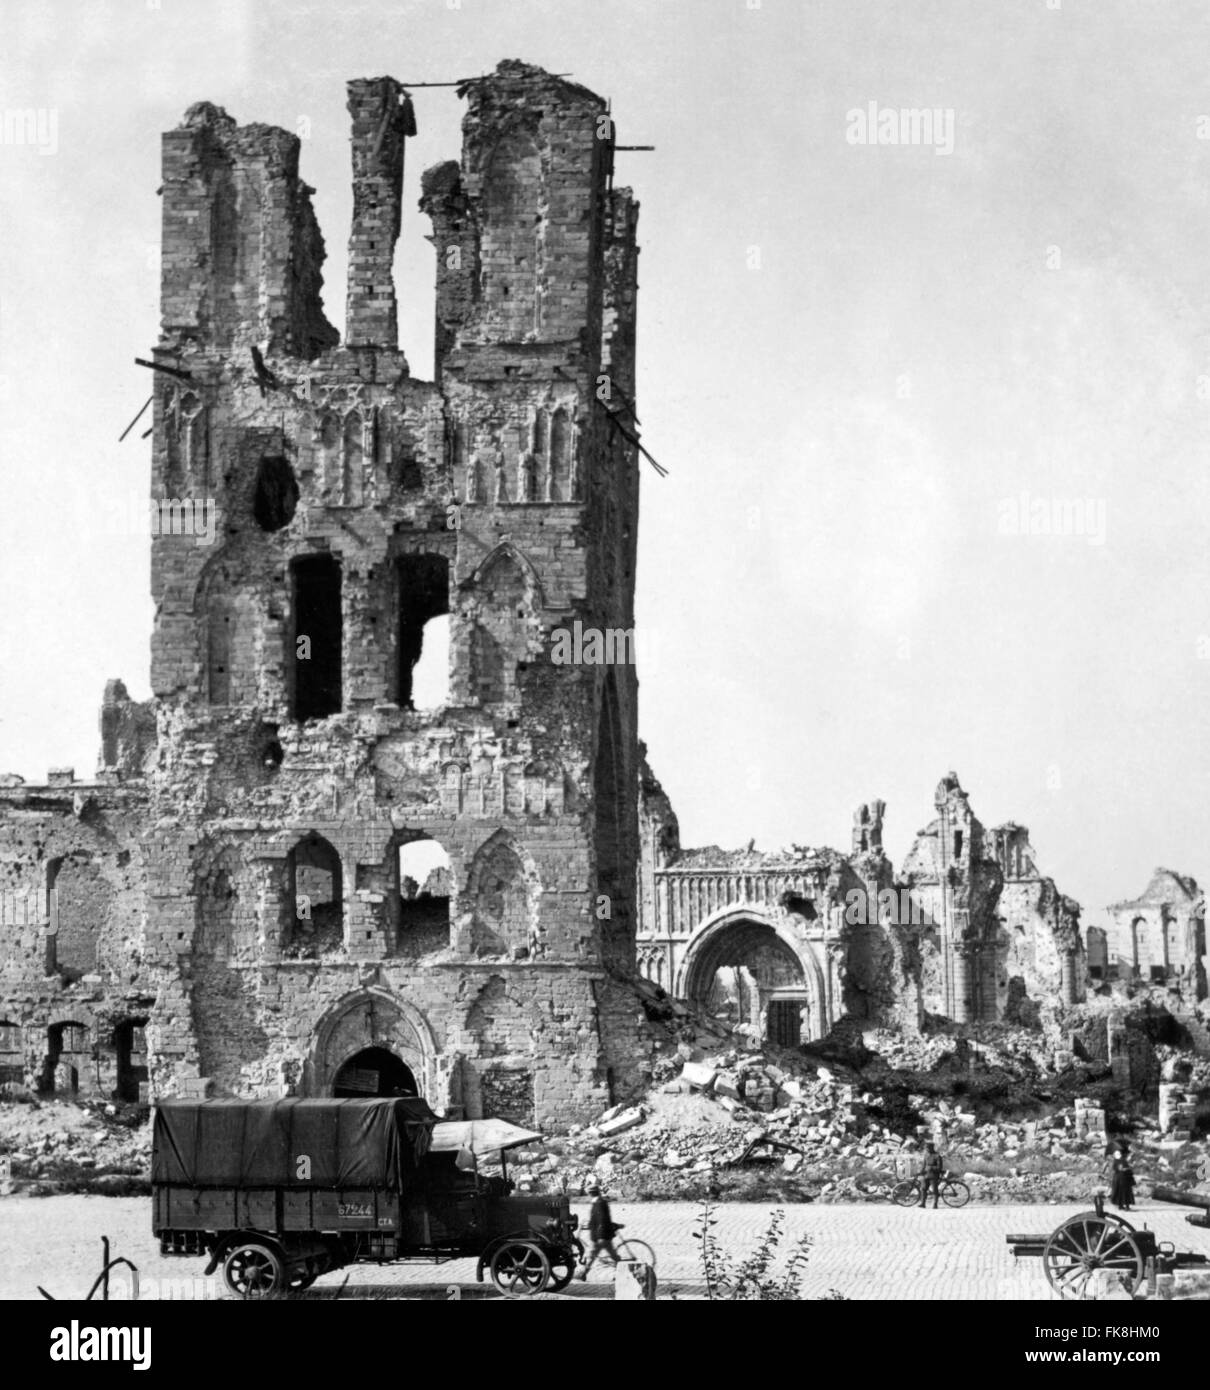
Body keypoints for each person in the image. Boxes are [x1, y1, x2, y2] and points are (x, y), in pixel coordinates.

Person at [576, 1184, 621, 1279]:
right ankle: (622, 1271)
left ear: (591, 1193)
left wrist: (600, 1237)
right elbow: (597, 1219)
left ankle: (583, 1274)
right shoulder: (598, 1202)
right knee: (613, 1256)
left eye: (588, 1193)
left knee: (592, 1255)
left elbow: (602, 1220)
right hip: (603, 1235)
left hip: (601, 1236)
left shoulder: (599, 1203)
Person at [1109, 1143, 1135, 1212]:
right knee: (1124, 1192)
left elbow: (1117, 1168)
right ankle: (1124, 1206)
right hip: (1122, 1178)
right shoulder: (1121, 1160)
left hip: (1120, 1178)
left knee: (1121, 1192)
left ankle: (1122, 1206)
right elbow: (1119, 1168)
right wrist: (1126, 1168)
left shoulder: (1118, 1160)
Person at [918, 1142, 945, 1209]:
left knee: (934, 1190)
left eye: (928, 1148)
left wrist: (931, 1168)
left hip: (934, 1176)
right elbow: (924, 1165)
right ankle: (923, 1203)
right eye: (926, 1148)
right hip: (926, 1175)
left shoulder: (937, 1156)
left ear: (932, 1147)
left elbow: (939, 1167)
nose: (927, 1149)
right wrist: (920, 1172)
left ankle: (935, 1204)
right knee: (923, 1189)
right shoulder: (926, 1155)